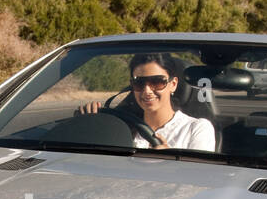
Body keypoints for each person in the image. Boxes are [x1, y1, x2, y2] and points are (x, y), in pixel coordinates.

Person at [77, 52, 216, 151]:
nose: (147, 91)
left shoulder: (196, 128)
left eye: (156, 82)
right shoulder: (120, 129)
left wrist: (172, 160)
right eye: (139, 83)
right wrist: (89, 124)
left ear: (173, 84)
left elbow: (200, 178)